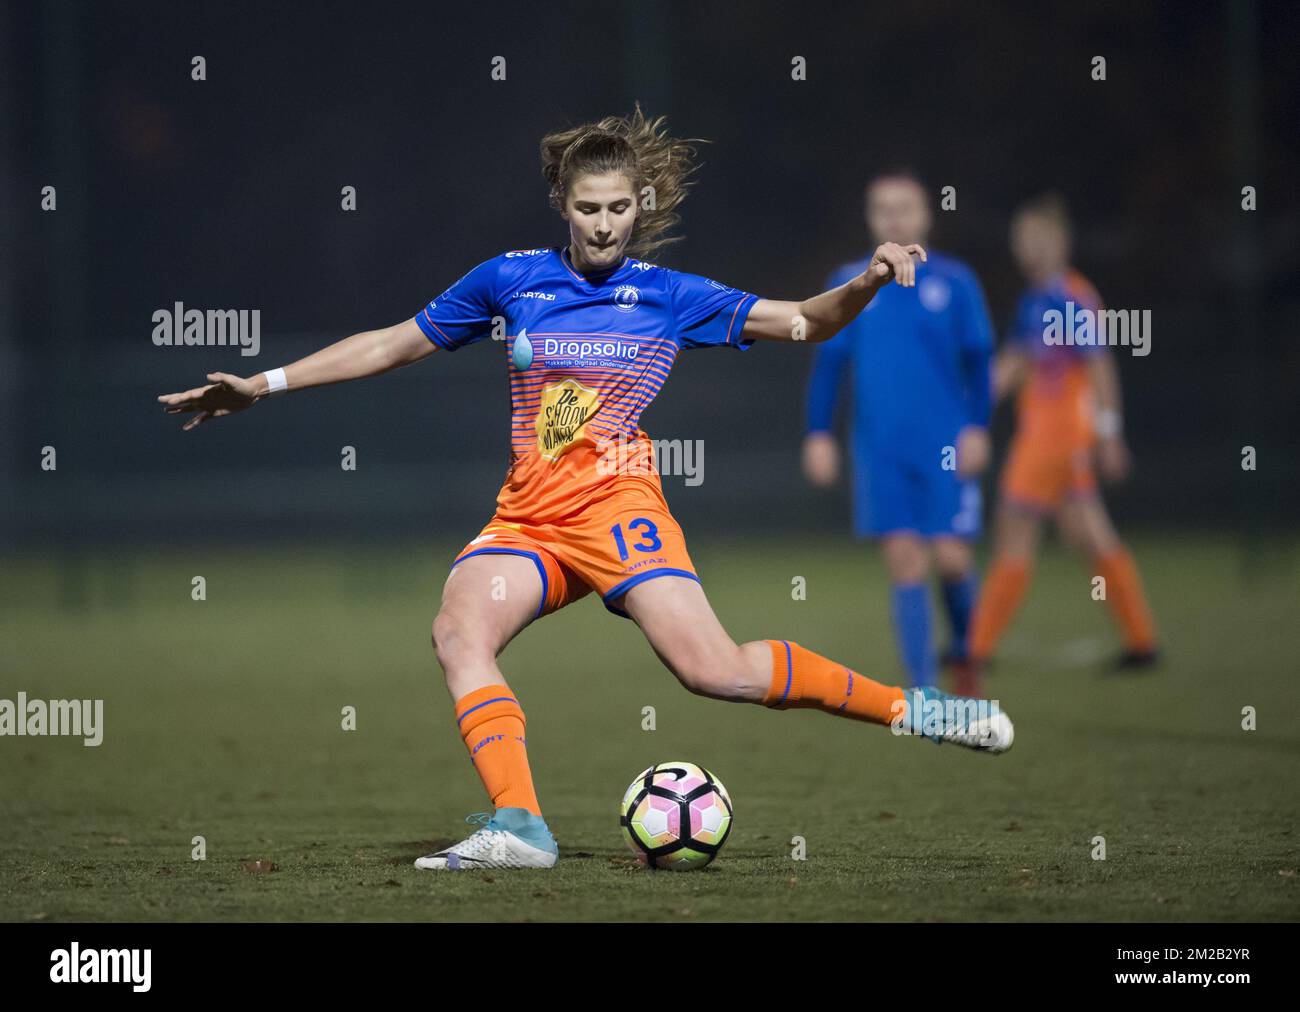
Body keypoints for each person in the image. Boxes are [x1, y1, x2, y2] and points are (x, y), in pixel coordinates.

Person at [158, 109, 1013, 872]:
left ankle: (920, 709)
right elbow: (390, 344)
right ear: (562, 206)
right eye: (586, 208)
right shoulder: (512, 279)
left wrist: (863, 282)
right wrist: (262, 385)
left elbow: (805, 320)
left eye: (618, 208)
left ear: (640, 206)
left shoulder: (671, 296)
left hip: (620, 509)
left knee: (714, 673)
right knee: (457, 632)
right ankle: (521, 827)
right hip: (528, 518)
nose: (603, 226)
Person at [803, 170, 993, 694]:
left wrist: (978, 427)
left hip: (947, 447)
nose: (894, 216)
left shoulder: (956, 283)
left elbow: (979, 363)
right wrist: (819, 433)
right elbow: (828, 366)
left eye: (904, 206)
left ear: (926, 214)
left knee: (954, 558)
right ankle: (925, 692)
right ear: (870, 218)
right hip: (880, 448)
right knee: (906, 560)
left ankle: (964, 655)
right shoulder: (851, 282)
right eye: (882, 208)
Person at [967, 193, 1158, 672]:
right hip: (1052, 438)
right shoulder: (1037, 300)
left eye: (1037, 237)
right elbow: (1013, 366)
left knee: (1014, 530)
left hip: (1054, 439)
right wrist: (967, 399)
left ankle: (975, 650)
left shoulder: (1070, 296)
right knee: (1088, 536)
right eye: (1021, 238)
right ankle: (1142, 643)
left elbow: (1100, 366)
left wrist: (1109, 433)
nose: (1028, 246)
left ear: (1060, 242)